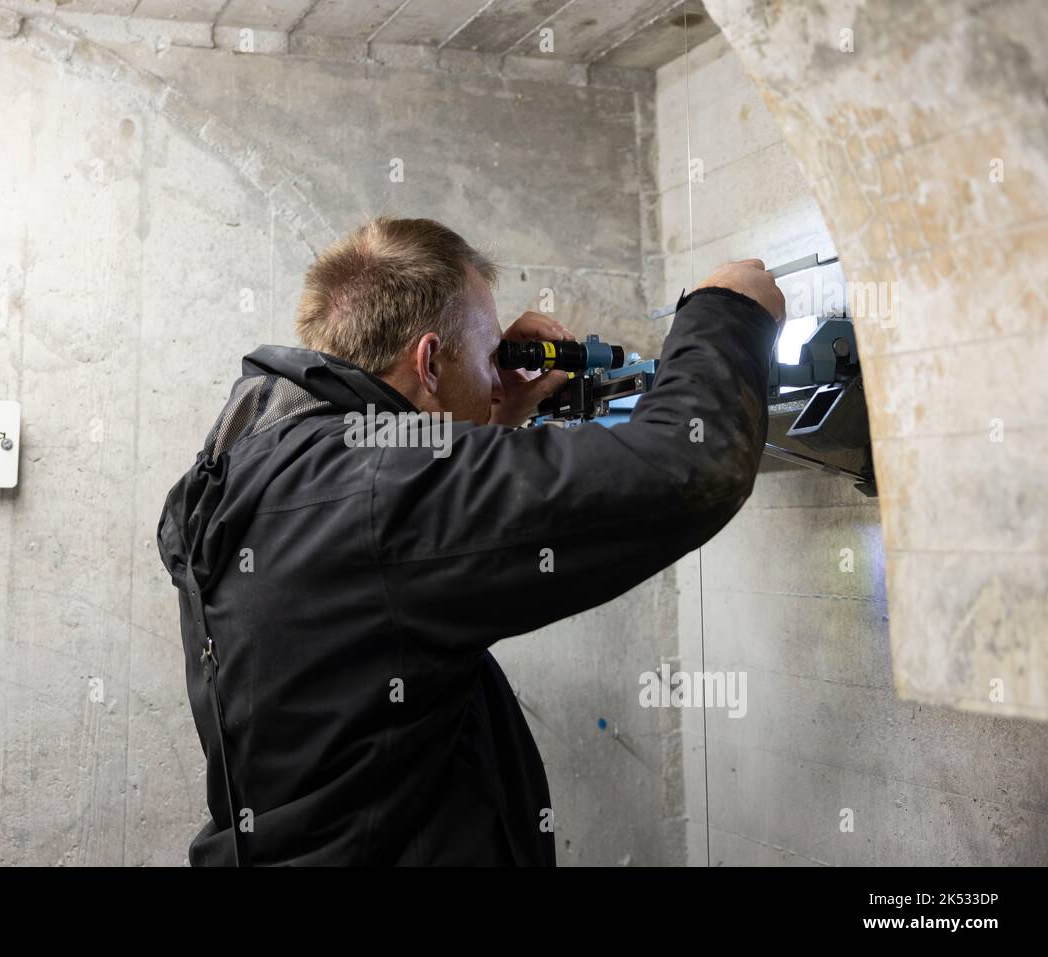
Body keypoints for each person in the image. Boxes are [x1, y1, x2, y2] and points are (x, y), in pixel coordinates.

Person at [157, 216, 784, 865]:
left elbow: (409, 520)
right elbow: (689, 465)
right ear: (429, 360)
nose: (496, 379)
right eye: (489, 358)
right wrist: (728, 310)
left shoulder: (257, 463)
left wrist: (486, 406)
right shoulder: (383, 492)